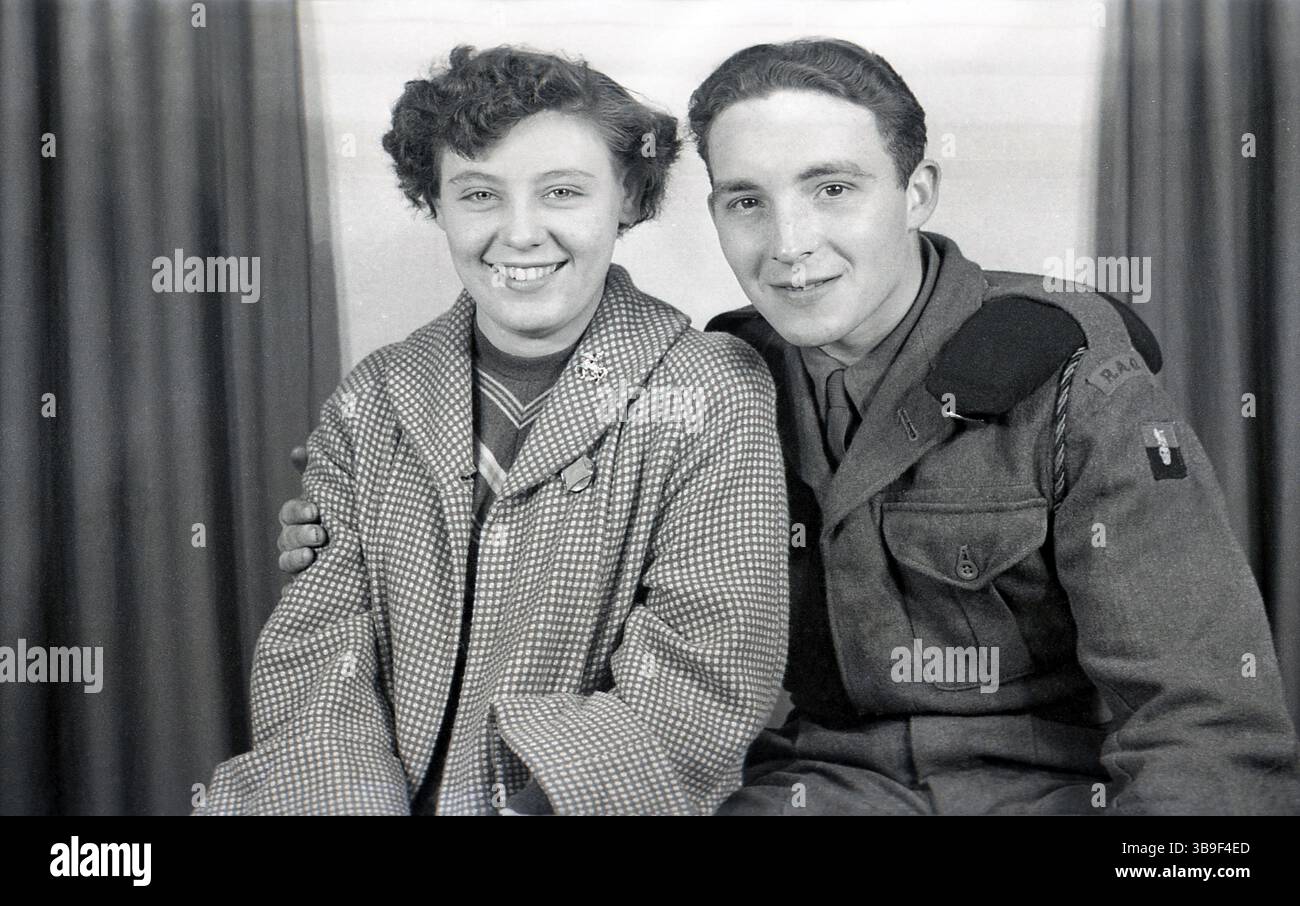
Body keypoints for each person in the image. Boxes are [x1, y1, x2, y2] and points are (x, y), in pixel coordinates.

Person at [281, 38, 1300, 815]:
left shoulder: (1072, 371)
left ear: (918, 191)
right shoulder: (721, 377)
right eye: (745, 203)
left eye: (832, 190)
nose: (791, 245)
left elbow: (1202, 721)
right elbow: (545, 567)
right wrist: (364, 525)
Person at [200, 45, 789, 816]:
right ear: (434, 203)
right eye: (478, 194)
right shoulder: (370, 397)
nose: (519, 233)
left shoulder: (712, 388)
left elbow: (704, 673)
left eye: (563, 193)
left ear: (629, 200)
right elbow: (318, 656)